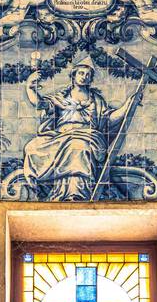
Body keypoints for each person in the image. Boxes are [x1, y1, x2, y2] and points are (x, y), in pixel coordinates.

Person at [23, 59, 141, 198]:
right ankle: (58, 191)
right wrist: (30, 87)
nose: (84, 76)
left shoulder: (96, 100)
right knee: (31, 147)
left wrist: (127, 105)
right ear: (73, 76)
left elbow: (109, 119)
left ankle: (76, 193)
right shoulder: (61, 97)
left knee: (78, 147)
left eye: (87, 74)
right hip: (61, 136)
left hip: (88, 136)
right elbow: (40, 104)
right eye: (81, 73)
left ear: (90, 78)